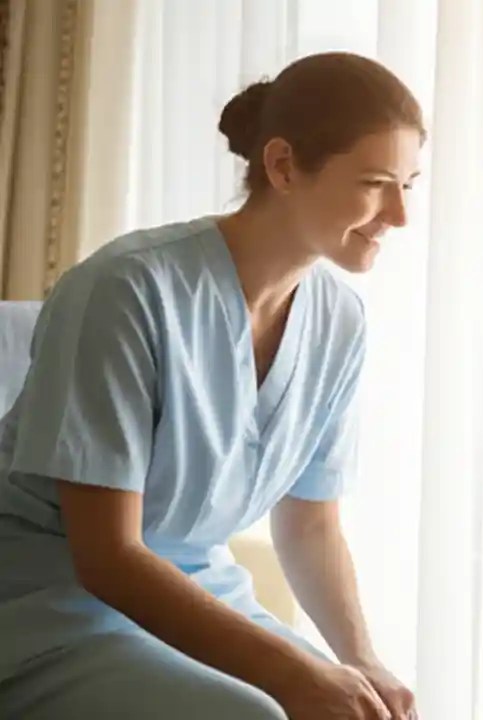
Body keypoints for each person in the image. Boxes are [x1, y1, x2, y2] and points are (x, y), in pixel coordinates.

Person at [0, 52, 423, 720]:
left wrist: (360, 659)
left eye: (408, 184)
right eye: (375, 183)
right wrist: (292, 674)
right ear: (283, 166)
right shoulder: (126, 291)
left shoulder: (339, 321)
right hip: (50, 601)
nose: (399, 215)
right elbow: (108, 556)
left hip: (199, 590)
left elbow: (311, 524)